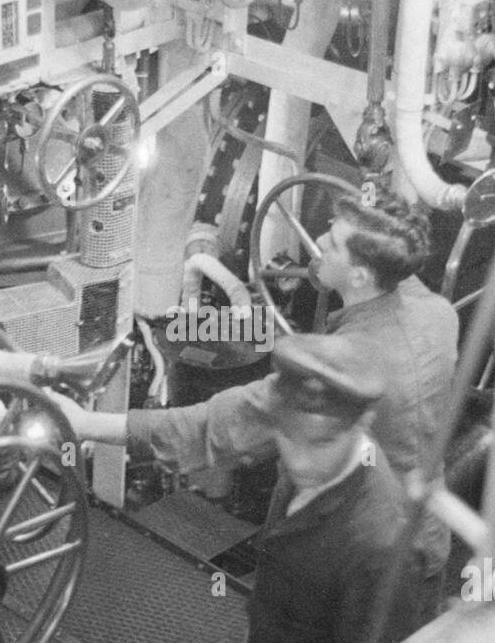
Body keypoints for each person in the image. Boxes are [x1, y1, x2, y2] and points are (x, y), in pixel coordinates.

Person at [57, 193, 459, 618]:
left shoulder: (344, 369)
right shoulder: (437, 314)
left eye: (334, 242)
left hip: (358, 567)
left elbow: (213, 425)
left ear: (359, 276)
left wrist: (85, 422)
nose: (317, 238)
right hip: (426, 541)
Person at [224, 334, 421, 643]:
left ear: (362, 424)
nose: (299, 461)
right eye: (288, 439)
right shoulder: (310, 467)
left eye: (321, 443)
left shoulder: (378, 547)